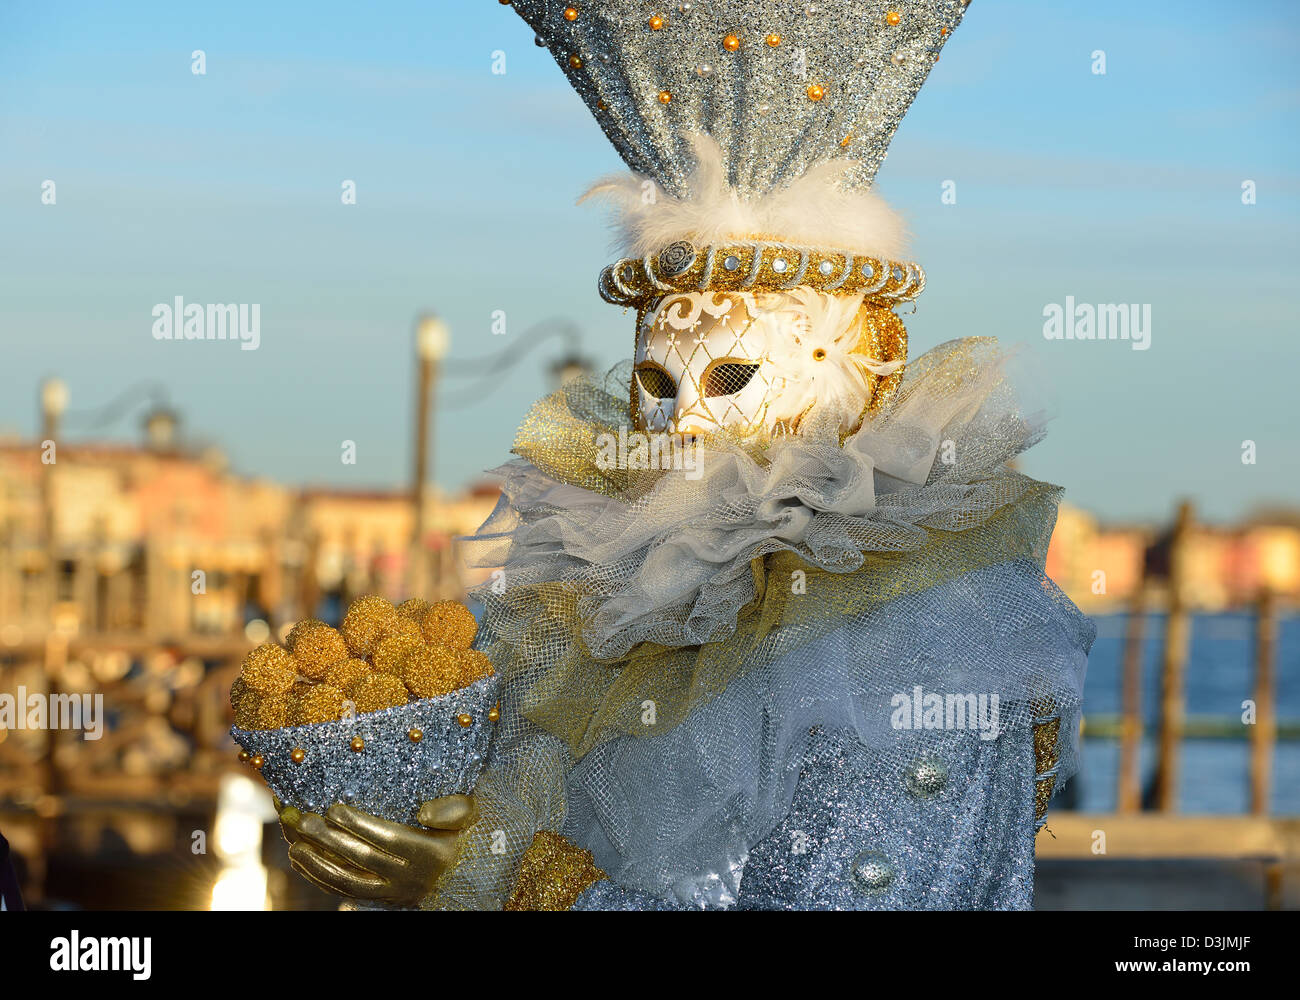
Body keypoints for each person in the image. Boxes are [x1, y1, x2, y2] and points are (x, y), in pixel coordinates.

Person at [282, 0, 1092, 910]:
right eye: (658, 386)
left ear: (869, 369)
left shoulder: (919, 645)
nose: (685, 429)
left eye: (737, 375)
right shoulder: (622, 613)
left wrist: (497, 888)